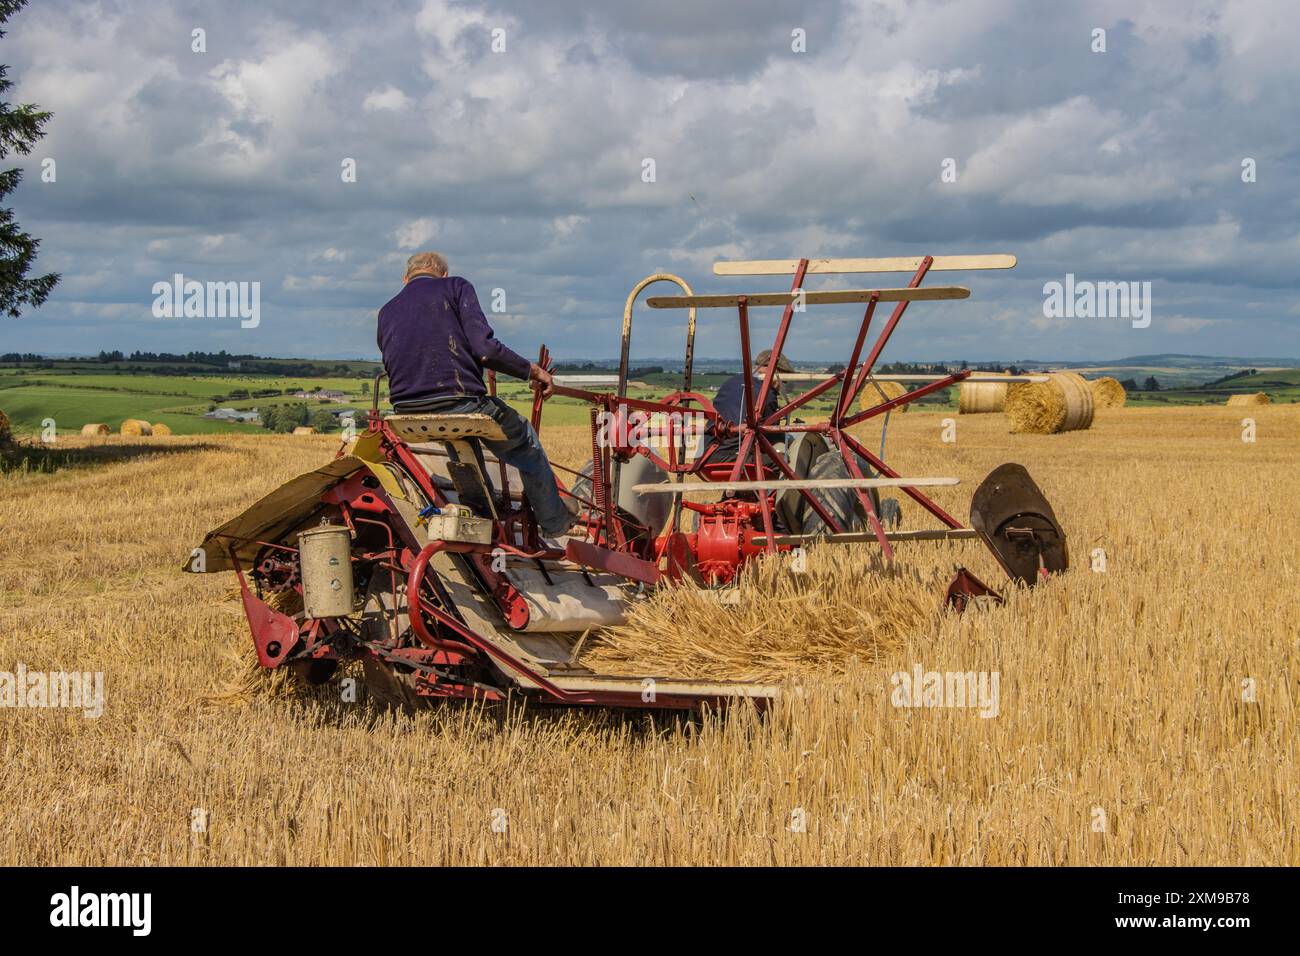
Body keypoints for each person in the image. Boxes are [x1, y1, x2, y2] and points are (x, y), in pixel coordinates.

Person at [376, 251, 578, 536]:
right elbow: (485, 350)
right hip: (459, 400)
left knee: (457, 431)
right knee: (525, 439)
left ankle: (482, 511)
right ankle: (554, 520)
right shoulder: (456, 287)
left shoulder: (387, 309)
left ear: (405, 279)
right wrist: (533, 371)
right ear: (443, 274)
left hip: (406, 411)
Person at [698, 348, 793, 464]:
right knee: (785, 460)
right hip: (734, 457)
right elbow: (768, 435)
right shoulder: (767, 395)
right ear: (777, 372)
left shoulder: (730, 382)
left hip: (705, 456)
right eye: (784, 381)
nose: (781, 386)